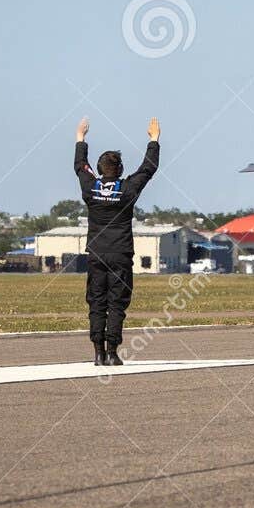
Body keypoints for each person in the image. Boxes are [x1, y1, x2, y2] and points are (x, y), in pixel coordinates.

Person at [74, 116, 160, 365]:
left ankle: (98, 353)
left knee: (97, 302)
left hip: (97, 254)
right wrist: (153, 140)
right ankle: (112, 352)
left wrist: (81, 138)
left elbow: (80, 166)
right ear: (120, 170)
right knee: (117, 303)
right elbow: (148, 169)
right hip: (121, 254)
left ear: (99, 170)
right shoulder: (127, 189)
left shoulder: (91, 188)